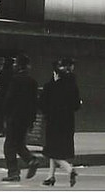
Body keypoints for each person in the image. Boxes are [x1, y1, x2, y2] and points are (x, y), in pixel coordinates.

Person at [0, 53, 41, 182]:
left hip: (14, 117)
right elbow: (35, 103)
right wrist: (32, 120)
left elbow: (9, 99)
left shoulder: (15, 80)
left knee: (9, 145)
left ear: (18, 65)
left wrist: (4, 115)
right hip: (26, 118)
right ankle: (31, 160)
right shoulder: (33, 82)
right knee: (18, 142)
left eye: (15, 63)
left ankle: (13, 172)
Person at [40, 58, 81, 187]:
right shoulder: (73, 85)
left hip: (54, 121)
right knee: (57, 149)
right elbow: (76, 105)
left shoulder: (51, 86)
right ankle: (50, 176)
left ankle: (69, 169)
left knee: (51, 150)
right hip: (68, 121)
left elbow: (43, 103)